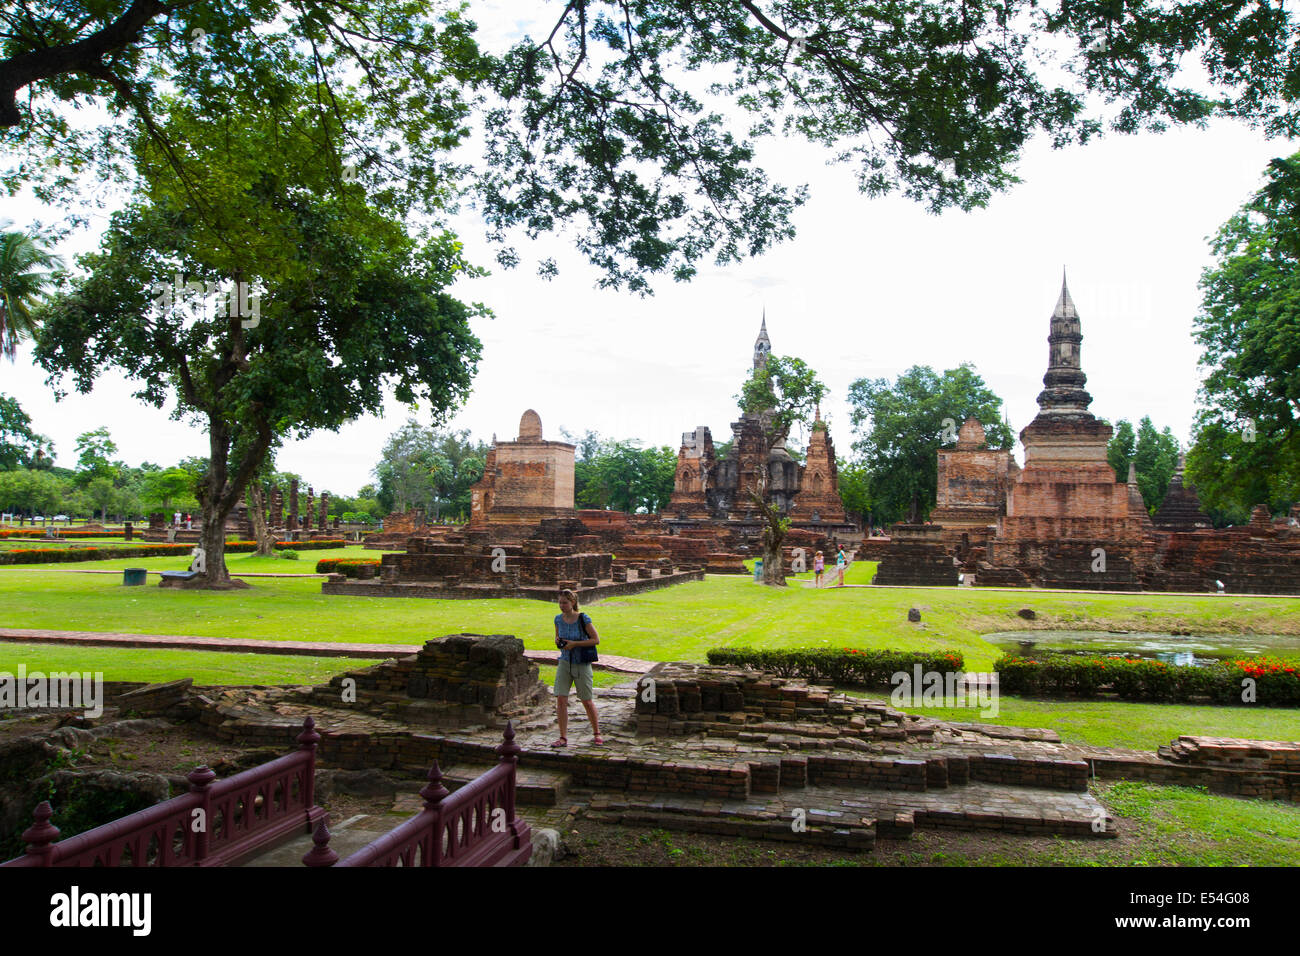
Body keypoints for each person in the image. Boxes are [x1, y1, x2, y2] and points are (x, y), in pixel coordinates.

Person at [552, 588, 602, 748]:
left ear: (572, 602)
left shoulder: (583, 618)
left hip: (581, 662)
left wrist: (575, 644)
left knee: (586, 700)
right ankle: (563, 737)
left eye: (565, 603)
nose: (562, 606)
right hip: (565, 661)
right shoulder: (558, 619)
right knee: (561, 698)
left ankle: (597, 733)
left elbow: (595, 640)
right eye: (560, 602)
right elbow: (557, 637)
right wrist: (559, 642)